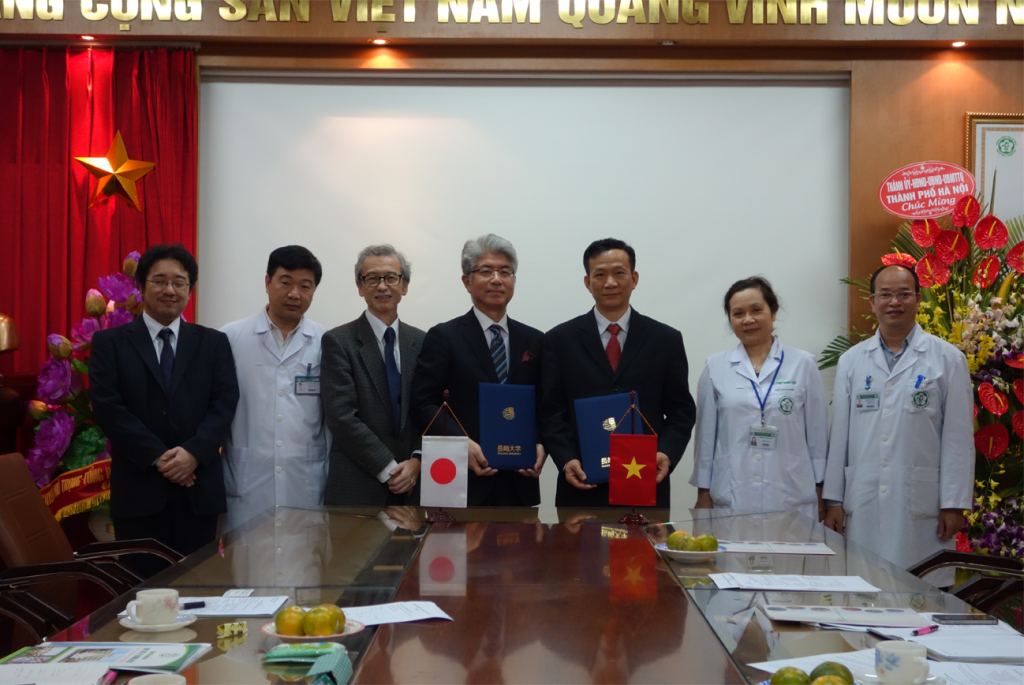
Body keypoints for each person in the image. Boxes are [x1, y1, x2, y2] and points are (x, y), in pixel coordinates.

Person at [90, 244, 239, 574]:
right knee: (139, 592)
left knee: (197, 587)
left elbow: (224, 403)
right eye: (159, 280)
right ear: (141, 287)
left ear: (189, 289)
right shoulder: (110, 343)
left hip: (197, 490)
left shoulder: (213, 343)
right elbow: (107, 407)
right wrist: (160, 458)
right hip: (139, 490)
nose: (169, 290)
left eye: (179, 282)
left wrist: (193, 454)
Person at [822, 264, 974, 586]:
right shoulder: (852, 360)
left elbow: (959, 438)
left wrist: (954, 504)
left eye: (904, 294)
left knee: (922, 594)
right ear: (872, 301)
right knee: (865, 595)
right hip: (863, 501)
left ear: (918, 299)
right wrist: (834, 500)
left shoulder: (947, 359)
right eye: (886, 294)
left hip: (921, 503)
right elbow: (840, 437)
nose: (895, 302)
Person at [540, 238, 696, 508]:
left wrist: (666, 454)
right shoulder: (559, 340)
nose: (610, 282)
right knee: (573, 552)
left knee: (643, 552)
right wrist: (566, 459)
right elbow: (551, 411)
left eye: (619, 273)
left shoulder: (665, 339)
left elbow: (681, 411)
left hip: (645, 482)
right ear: (588, 282)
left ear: (634, 279)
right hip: (581, 485)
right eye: (600, 274)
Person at [410, 234, 545, 506]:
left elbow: (547, 403)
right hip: (462, 482)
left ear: (513, 280)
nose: (497, 279)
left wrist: (542, 443)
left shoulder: (536, 340)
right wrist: (460, 443)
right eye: (486, 271)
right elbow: (423, 403)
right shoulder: (444, 337)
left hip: (520, 484)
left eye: (505, 272)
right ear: (466, 281)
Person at [689, 277, 827, 522]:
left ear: (773, 313)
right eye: (738, 313)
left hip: (791, 492)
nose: (748, 319)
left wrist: (821, 490)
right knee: (732, 559)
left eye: (756, 310)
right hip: (732, 493)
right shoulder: (715, 366)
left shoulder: (803, 364)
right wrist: (703, 492)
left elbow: (816, 435)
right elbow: (705, 438)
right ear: (731, 321)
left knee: (790, 559)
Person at [220, 246, 329, 532]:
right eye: (286, 282)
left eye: (305, 286)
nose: (295, 293)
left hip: (303, 481)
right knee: (245, 568)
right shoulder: (231, 337)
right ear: (267, 283)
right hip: (248, 481)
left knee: (304, 568)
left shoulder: (327, 342)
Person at [322, 245, 426, 505]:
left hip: (416, 484)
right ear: (360, 287)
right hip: (358, 484)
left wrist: (418, 460)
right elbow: (342, 416)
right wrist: (389, 468)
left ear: (405, 286)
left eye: (391, 277)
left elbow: (431, 410)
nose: (382, 286)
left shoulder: (423, 341)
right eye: (372, 278)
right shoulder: (338, 341)